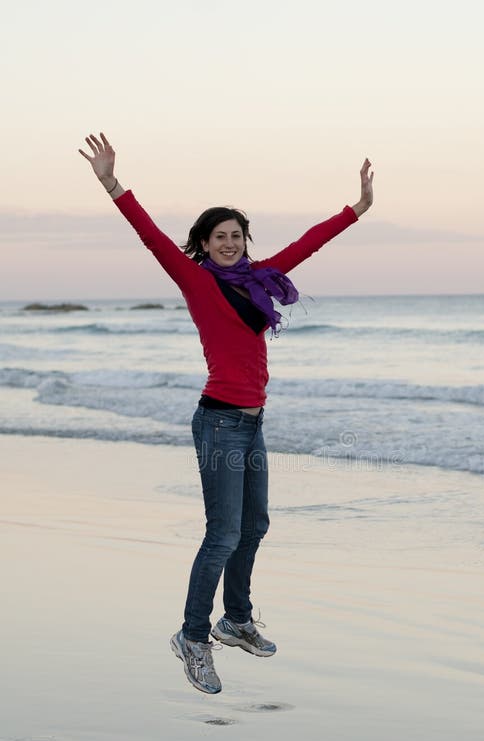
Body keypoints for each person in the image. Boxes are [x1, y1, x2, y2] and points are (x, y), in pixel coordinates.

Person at [78, 132, 374, 695]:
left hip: (252, 420)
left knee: (255, 526)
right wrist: (112, 182)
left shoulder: (260, 278)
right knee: (223, 534)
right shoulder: (196, 280)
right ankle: (193, 636)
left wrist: (355, 210)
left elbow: (309, 243)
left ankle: (235, 620)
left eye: (238, 236)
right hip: (219, 420)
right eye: (221, 237)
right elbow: (150, 237)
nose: (231, 244)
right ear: (205, 244)